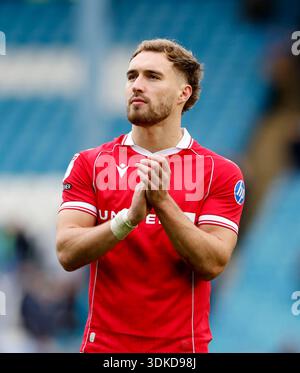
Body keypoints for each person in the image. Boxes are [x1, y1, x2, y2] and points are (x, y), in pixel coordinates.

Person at [56, 39, 245, 353]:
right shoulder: (90, 163)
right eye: (132, 76)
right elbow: (66, 252)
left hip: (181, 353)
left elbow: (213, 262)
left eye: (152, 77)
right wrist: (128, 220)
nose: (137, 86)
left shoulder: (220, 172)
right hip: (104, 349)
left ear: (184, 93)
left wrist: (163, 202)